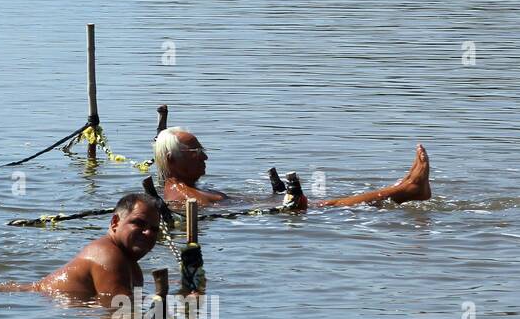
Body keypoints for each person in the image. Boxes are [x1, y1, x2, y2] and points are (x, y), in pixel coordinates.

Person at [153, 127, 432, 208]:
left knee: (330, 202)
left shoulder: (186, 186)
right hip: (274, 213)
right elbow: (220, 210)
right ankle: (408, 189)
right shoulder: (184, 195)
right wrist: (279, 205)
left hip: (263, 206)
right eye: (197, 152)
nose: (205, 158)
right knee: (333, 204)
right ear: (172, 161)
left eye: (204, 150)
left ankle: (404, 185)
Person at [4, 194, 162, 300]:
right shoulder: (109, 257)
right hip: (20, 300)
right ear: (115, 222)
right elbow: (121, 312)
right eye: (138, 223)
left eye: (154, 229)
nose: (148, 233)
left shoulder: (129, 262)